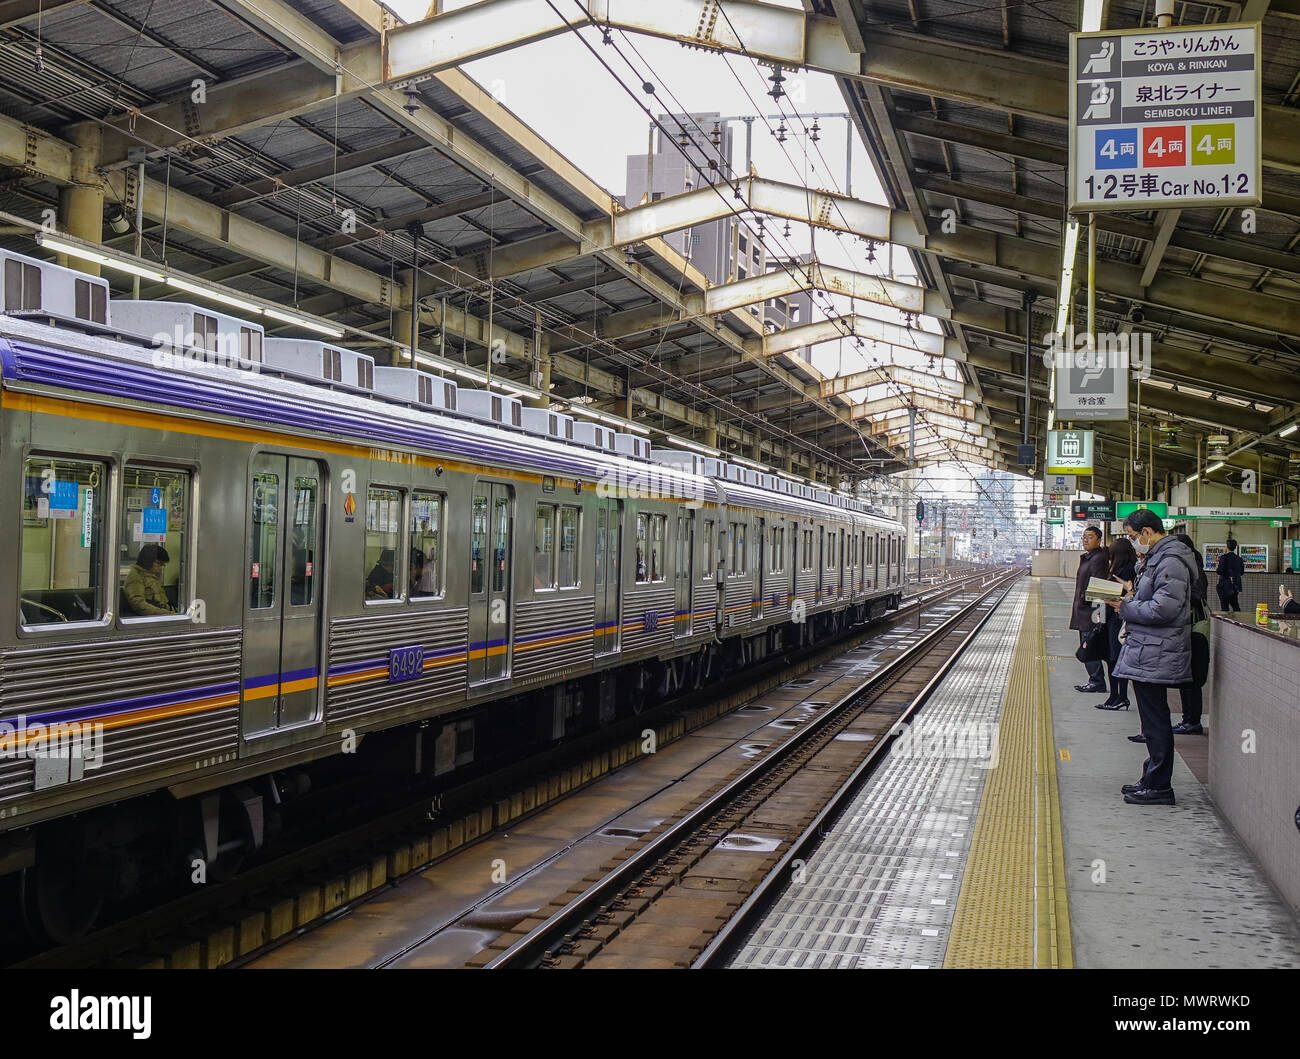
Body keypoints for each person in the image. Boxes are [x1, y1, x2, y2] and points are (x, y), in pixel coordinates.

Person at [1106, 510, 1194, 806]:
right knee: (1152, 721)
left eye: (1133, 537)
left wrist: (1126, 609)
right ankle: (1151, 778)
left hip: (1158, 650)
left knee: (1156, 722)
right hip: (1149, 649)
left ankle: (1159, 787)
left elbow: (1163, 609)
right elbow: (1152, 600)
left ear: (1147, 532)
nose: (1133, 544)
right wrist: (1128, 600)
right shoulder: (1158, 559)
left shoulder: (1171, 561)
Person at [1170, 532, 1209, 736]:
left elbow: (1196, 596)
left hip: (1192, 630)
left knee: (1190, 678)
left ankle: (1192, 721)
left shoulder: (1193, 570)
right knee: (1186, 677)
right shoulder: (1188, 567)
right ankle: (1189, 719)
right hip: (1185, 627)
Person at [1095, 535, 1137, 711]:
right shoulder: (1130, 569)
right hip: (1117, 620)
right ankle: (1117, 696)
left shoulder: (1122, 572)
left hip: (1116, 621)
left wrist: (1099, 616)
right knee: (1115, 658)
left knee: (1114, 658)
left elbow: (1110, 599)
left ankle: (1118, 697)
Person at [1070, 525, 1110, 693]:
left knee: (1089, 645)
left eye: (1090, 537)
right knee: (1088, 644)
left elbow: (1098, 586)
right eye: (1084, 537)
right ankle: (1095, 680)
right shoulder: (1089, 557)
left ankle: (1097, 681)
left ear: (1099, 540)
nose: (1085, 540)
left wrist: (1096, 614)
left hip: (1091, 611)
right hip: (1085, 610)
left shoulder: (1098, 558)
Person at [123, 543, 175, 616]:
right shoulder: (136, 576)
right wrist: (166, 614)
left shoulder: (154, 576)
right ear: (148, 561)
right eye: (158, 563)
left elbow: (161, 602)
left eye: (162, 565)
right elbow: (139, 605)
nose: (160, 568)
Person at [1215, 539, 1244, 611]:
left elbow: (1219, 571)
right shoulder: (1239, 559)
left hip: (1224, 585)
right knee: (1235, 606)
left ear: (1227, 547)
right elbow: (1242, 572)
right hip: (1235, 585)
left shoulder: (1224, 557)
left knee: (1224, 606)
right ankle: (1237, 620)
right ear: (1235, 547)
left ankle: (1226, 621)